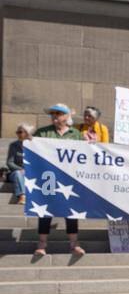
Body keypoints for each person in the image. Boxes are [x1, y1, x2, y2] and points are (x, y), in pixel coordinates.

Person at [33, 104, 87, 257]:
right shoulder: (43, 132)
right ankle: (42, 244)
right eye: (53, 114)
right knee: (45, 210)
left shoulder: (76, 134)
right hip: (48, 177)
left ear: (66, 116)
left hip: (69, 178)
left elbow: (83, 155)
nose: (54, 116)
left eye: (58, 113)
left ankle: (74, 244)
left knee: (71, 211)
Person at [3, 124, 31, 204]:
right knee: (18, 173)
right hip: (16, 172)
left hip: (30, 172)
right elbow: (9, 162)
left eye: (20, 132)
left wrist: (27, 170)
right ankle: (22, 196)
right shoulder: (13, 145)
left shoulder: (33, 145)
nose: (18, 134)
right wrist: (20, 169)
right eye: (17, 132)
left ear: (27, 133)